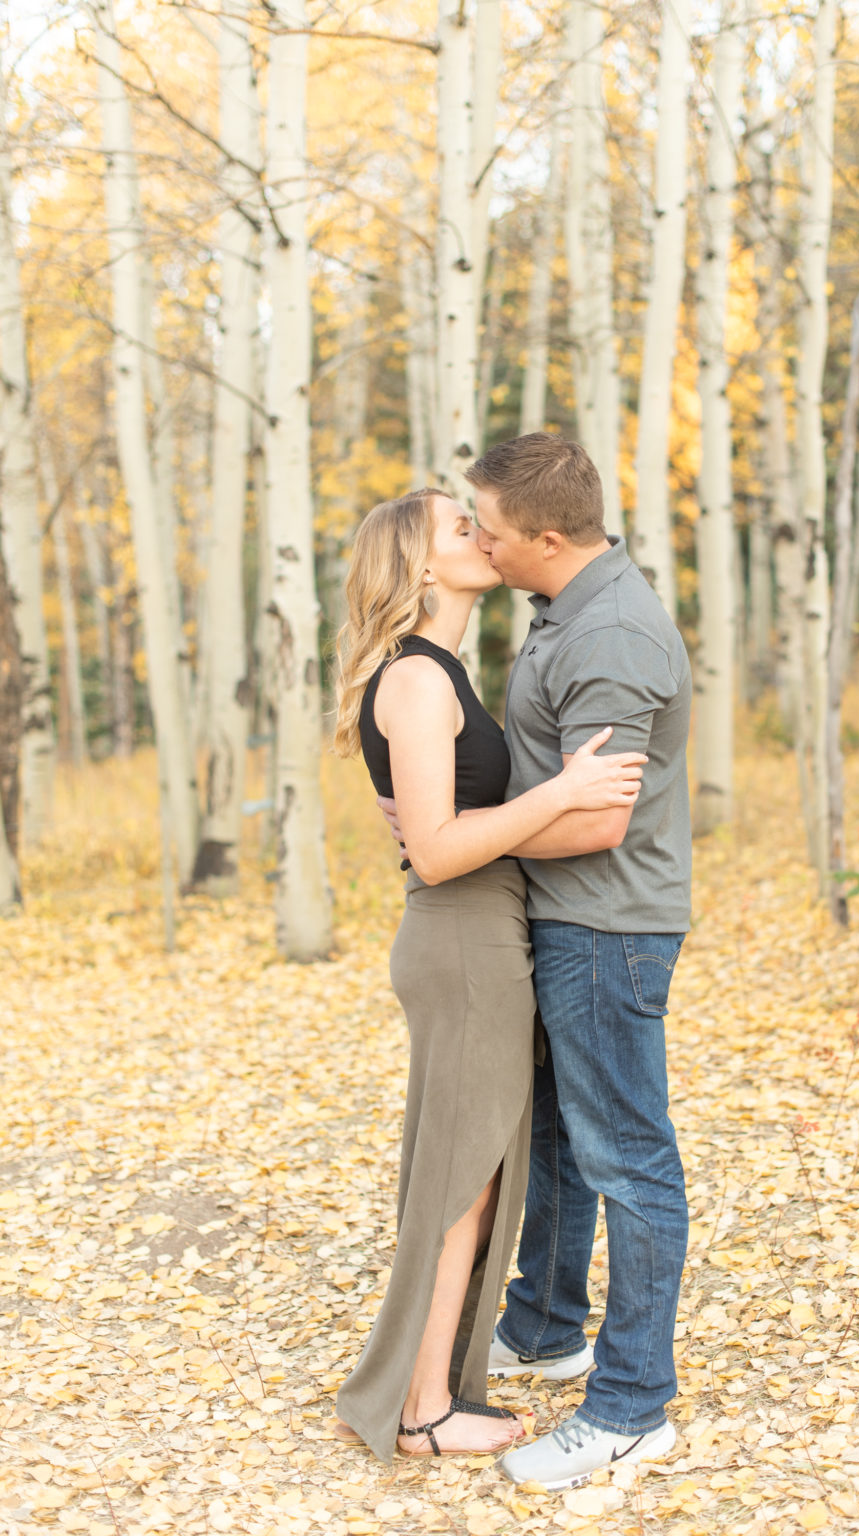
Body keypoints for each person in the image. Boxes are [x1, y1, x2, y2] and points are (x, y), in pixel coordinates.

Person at [382, 435, 691, 1490]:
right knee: (556, 1147)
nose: (486, 543)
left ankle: (631, 1408)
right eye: (466, 527)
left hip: (604, 923)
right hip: (548, 919)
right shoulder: (556, 615)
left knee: (625, 1155)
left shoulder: (609, 633)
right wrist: (453, 824)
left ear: (546, 539)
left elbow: (595, 821)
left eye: (494, 530)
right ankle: (547, 1326)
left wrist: (455, 831)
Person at [330, 486, 647, 1463]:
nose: (484, 534)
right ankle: (421, 1409)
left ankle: (432, 1392)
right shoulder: (419, 680)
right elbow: (435, 852)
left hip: (478, 936)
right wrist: (562, 792)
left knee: (474, 1176)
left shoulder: (441, 674)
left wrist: (492, 811)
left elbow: (441, 826)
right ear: (421, 568)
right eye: (460, 527)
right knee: (460, 1180)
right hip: (461, 943)